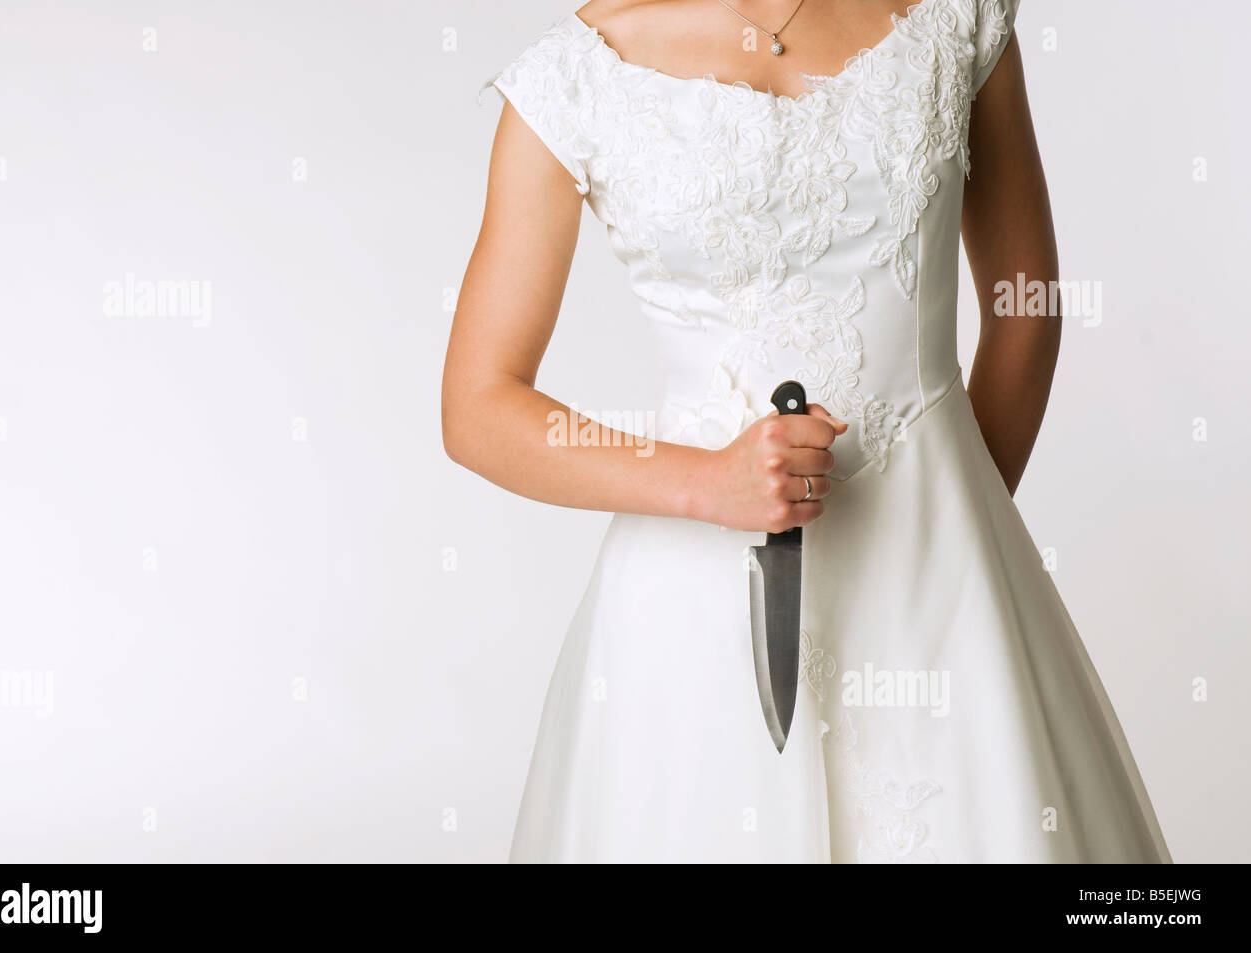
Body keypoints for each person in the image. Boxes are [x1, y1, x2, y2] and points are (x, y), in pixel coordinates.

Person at [443, 0, 1170, 863]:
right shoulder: (577, 74)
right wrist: (704, 481)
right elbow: (478, 405)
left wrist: (955, 532)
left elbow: (1025, 309)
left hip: (941, 580)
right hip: (693, 603)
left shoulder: (954, 16)